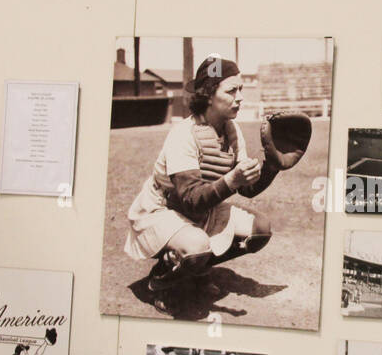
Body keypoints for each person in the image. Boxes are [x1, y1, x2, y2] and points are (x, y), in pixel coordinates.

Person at [123, 57, 286, 309]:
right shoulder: (184, 134)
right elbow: (190, 198)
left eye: (240, 89)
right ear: (209, 95)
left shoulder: (232, 130)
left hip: (201, 210)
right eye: (232, 90)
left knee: (260, 230)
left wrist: (272, 167)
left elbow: (246, 188)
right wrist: (232, 179)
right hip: (163, 210)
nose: (240, 97)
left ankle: (197, 269)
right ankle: (159, 280)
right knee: (197, 248)